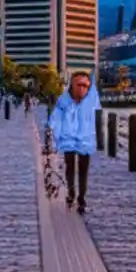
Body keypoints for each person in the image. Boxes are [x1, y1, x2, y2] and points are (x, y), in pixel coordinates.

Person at [49, 71, 99, 214]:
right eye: (79, 84)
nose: (82, 87)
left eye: (85, 85)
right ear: (72, 84)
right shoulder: (63, 100)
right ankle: (71, 193)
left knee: (83, 170)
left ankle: (81, 198)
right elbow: (56, 118)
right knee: (70, 166)